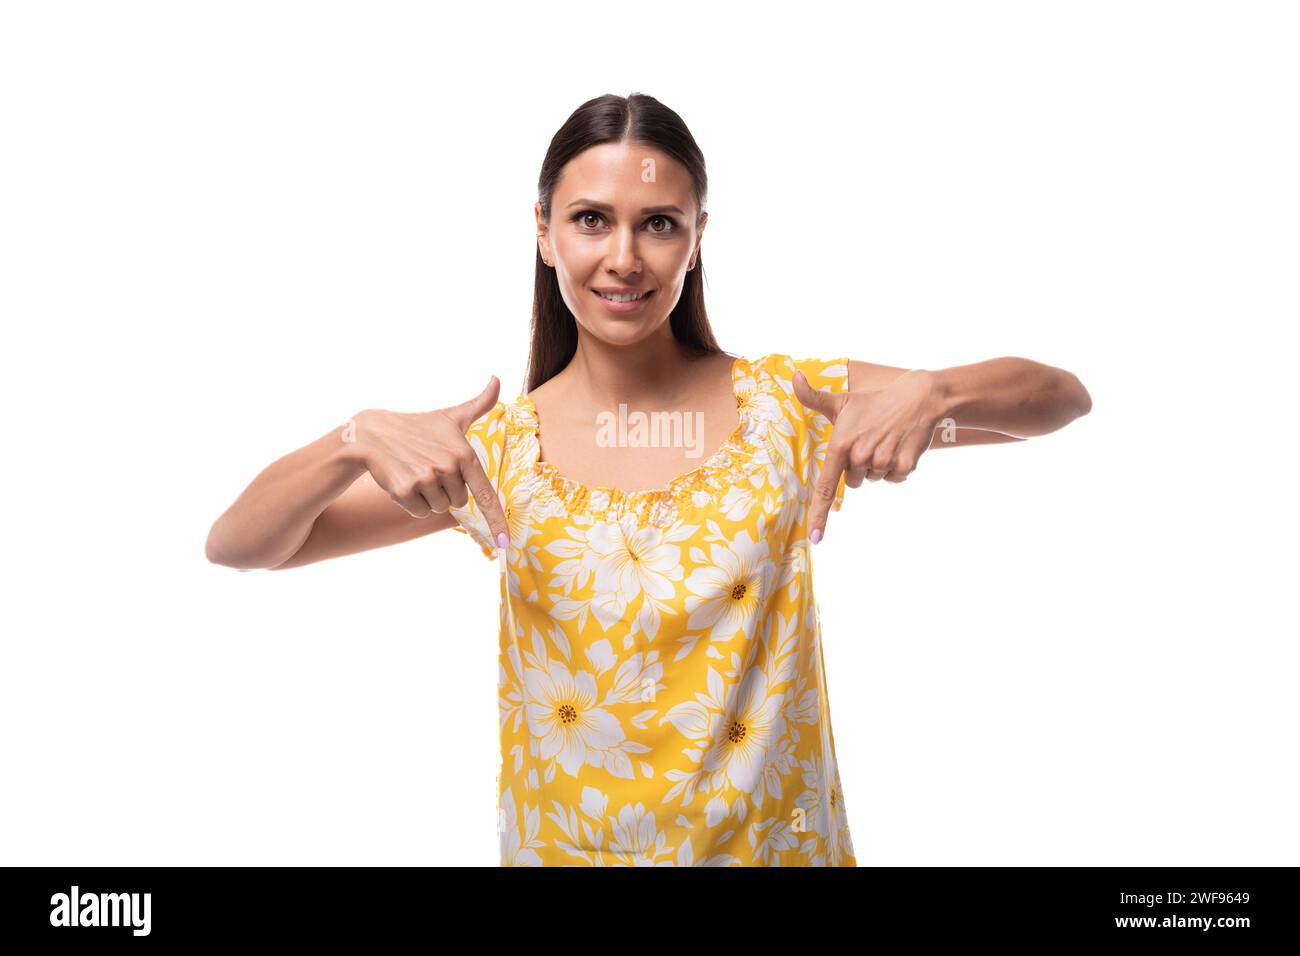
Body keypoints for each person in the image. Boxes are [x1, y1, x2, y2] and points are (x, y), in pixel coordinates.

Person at [206, 92, 1091, 866]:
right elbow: (243, 546)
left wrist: (933, 393)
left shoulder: (790, 406)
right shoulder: (496, 456)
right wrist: (351, 441)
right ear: (544, 236)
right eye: (591, 219)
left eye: (658, 222)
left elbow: (1059, 401)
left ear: (697, 240)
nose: (624, 256)